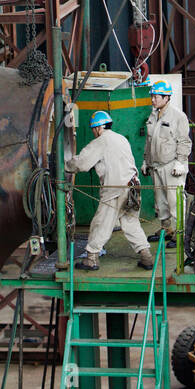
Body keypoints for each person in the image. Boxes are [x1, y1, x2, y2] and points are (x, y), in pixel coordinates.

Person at [66, 110, 153, 272]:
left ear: (98, 128)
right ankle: (146, 256)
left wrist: (64, 166)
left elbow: (83, 163)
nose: (93, 132)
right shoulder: (120, 139)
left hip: (115, 189)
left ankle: (91, 258)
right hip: (133, 186)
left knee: (101, 222)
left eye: (93, 129)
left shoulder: (102, 140)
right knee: (131, 222)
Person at [142, 80, 191, 245]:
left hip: (172, 166)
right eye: (152, 96)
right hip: (156, 166)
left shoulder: (178, 116)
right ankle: (166, 228)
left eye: (156, 97)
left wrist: (180, 162)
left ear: (166, 97)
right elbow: (149, 141)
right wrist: (146, 161)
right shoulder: (153, 115)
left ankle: (181, 233)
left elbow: (184, 142)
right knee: (161, 202)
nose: (153, 100)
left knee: (175, 202)